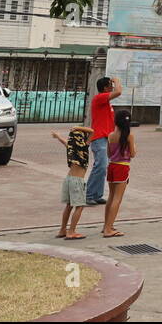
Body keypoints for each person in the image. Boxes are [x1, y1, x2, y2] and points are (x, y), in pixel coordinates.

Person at [51, 125, 94, 240]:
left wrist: (58, 136)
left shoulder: (72, 147)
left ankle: (62, 230)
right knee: (79, 206)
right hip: (77, 181)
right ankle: (71, 231)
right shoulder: (84, 147)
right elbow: (92, 131)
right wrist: (78, 127)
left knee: (69, 206)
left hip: (68, 179)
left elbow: (65, 142)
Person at [85, 76, 122, 206]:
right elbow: (118, 92)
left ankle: (97, 194)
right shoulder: (99, 98)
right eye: (110, 85)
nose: (112, 86)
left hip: (106, 138)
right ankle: (88, 194)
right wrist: (117, 80)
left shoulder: (106, 103)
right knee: (100, 166)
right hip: (99, 138)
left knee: (103, 167)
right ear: (105, 88)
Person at [102, 110, 136, 238]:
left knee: (111, 197)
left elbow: (109, 154)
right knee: (117, 198)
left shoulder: (111, 135)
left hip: (112, 166)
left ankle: (106, 225)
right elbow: (132, 154)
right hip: (122, 167)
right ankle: (108, 229)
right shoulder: (129, 136)